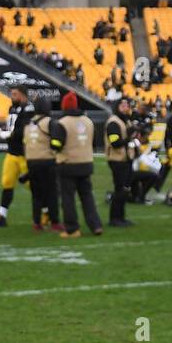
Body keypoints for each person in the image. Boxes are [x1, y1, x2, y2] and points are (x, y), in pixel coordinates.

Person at [52, 93, 103, 238]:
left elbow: (56, 144)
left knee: (68, 199)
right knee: (87, 197)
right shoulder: (88, 121)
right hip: (86, 163)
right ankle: (96, 225)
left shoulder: (62, 123)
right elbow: (92, 143)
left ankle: (72, 228)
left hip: (68, 164)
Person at [0, 87, 33, 228]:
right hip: (12, 152)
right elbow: (11, 127)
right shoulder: (12, 108)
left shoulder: (29, 110)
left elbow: (23, 130)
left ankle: (45, 212)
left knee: (33, 185)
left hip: (24, 154)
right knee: (7, 183)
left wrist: (6, 134)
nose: (12, 96)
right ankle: (2, 215)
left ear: (23, 95)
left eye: (15, 94)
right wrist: (2, 131)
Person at [22, 96, 61, 232]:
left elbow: (25, 143)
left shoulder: (28, 123)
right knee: (52, 193)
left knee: (36, 195)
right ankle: (54, 222)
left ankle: (36, 223)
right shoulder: (50, 122)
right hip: (47, 161)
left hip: (31, 162)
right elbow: (56, 142)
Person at [104, 97, 134, 227]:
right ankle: (115, 218)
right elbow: (115, 143)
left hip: (125, 159)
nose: (126, 107)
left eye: (127, 105)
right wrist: (128, 138)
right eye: (123, 105)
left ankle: (121, 217)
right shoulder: (114, 122)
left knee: (124, 189)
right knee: (119, 189)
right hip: (117, 160)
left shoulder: (125, 121)